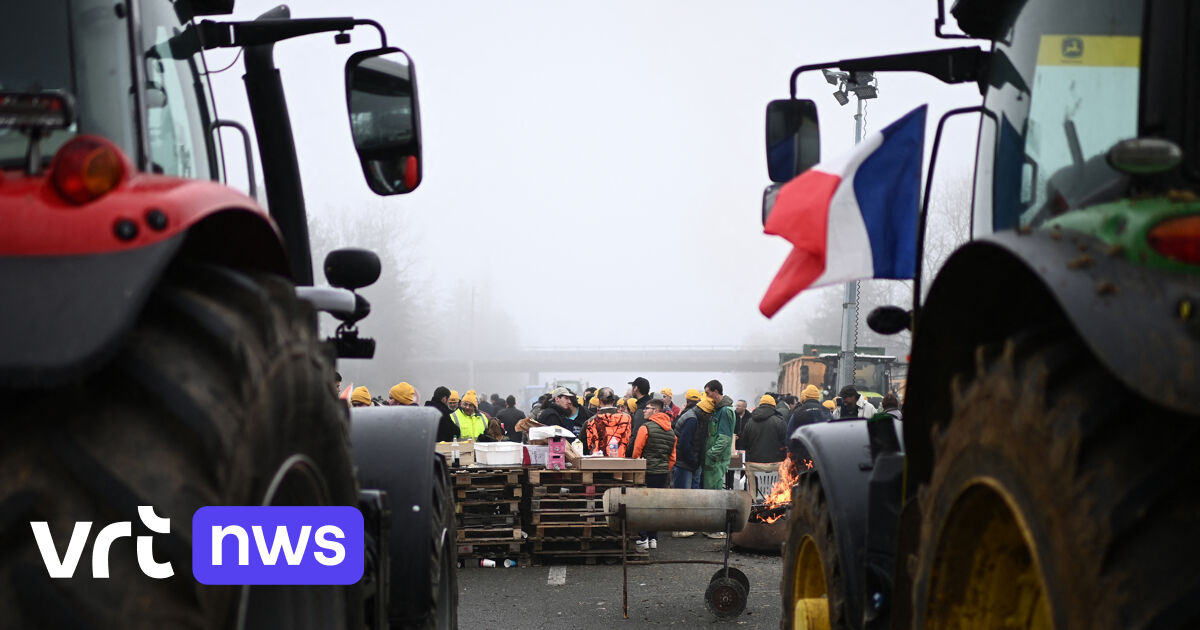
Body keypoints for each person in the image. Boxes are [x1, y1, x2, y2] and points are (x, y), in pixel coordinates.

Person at [632, 398, 676, 551]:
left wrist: (637, 466)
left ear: (655, 411)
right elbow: (673, 457)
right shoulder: (671, 431)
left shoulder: (646, 428)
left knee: (642, 505)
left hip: (646, 471)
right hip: (662, 473)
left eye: (648, 408)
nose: (644, 410)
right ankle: (653, 539)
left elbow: (637, 451)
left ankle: (642, 537)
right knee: (655, 505)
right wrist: (663, 467)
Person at [740, 394, 788, 501]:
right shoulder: (779, 421)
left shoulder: (750, 422)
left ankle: (753, 500)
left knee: (749, 470)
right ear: (773, 406)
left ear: (760, 406)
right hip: (775, 466)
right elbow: (785, 444)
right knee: (785, 469)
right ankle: (778, 500)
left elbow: (744, 443)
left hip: (753, 466)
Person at [586, 387, 632, 457]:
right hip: (622, 461)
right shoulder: (627, 418)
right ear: (614, 401)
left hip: (598, 462)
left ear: (599, 401)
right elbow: (630, 441)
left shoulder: (591, 421)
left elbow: (584, 444)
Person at [626, 377, 653, 451]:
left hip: (643, 451)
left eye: (632, 387)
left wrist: (629, 452)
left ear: (636, 388)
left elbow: (636, 434)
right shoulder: (652, 404)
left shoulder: (642, 408)